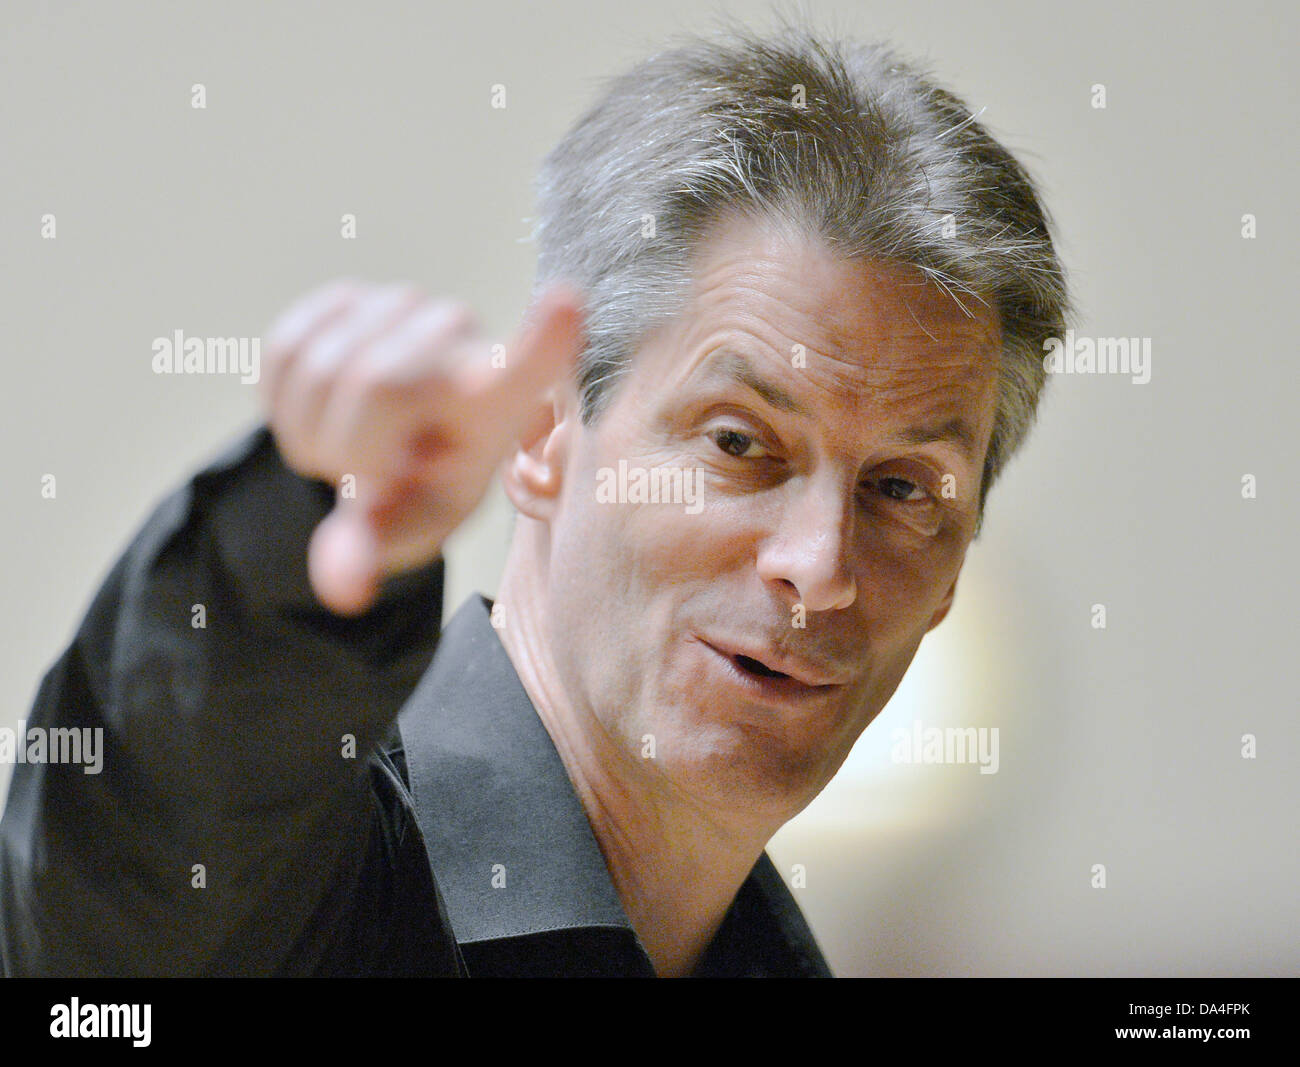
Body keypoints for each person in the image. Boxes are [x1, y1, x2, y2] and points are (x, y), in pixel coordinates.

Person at [0, 17, 1069, 977]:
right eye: (741, 442)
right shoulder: (299, 899)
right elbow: (131, 883)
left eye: (897, 487)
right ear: (546, 434)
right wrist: (302, 544)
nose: (818, 563)